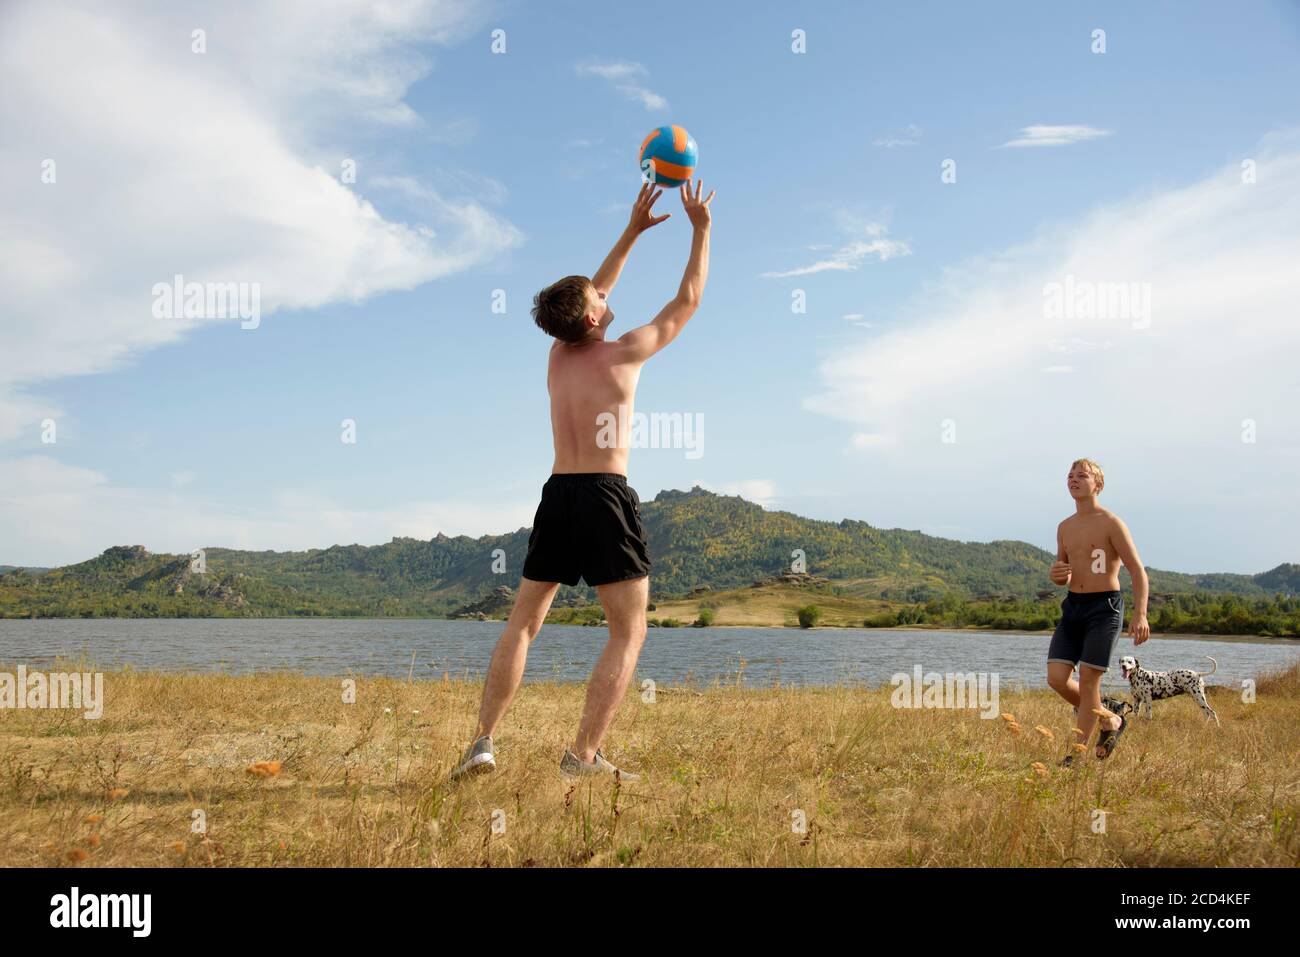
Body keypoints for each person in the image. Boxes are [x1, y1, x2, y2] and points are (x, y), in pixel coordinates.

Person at [450, 179, 715, 781]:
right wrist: (699, 226)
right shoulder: (624, 353)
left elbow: (587, 297)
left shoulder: (558, 356)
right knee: (629, 630)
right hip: (603, 494)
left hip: (557, 493)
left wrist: (631, 230)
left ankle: (483, 744)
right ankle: (582, 757)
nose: (605, 289)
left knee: (522, 623)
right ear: (593, 315)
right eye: (599, 294)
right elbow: (689, 298)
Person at [1047, 458, 1150, 764]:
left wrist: (1140, 614)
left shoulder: (1111, 523)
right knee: (1056, 678)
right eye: (1070, 475)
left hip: (1104, 608)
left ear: (1098, 485)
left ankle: (1074, 757)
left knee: (1090, 681)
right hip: (1073, 607)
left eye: (1082, 475)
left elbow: (1137, 571)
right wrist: (1058, 575)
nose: (1073, 479)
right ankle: (1111, 716)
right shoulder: (1064, 527)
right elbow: (1063, 572)